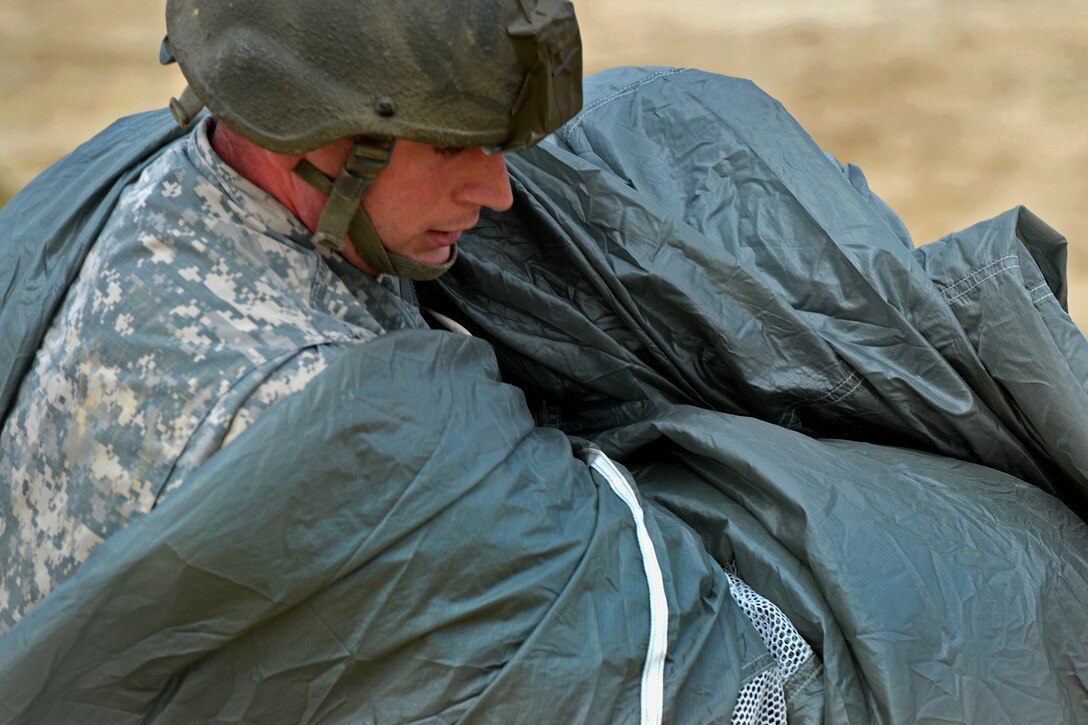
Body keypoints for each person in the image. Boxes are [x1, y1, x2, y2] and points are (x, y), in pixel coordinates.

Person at [0, 0, 581, 633]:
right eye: (450, 147)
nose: (497, 193)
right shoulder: (307, 410)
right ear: (298, 130)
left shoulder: (170, 177)